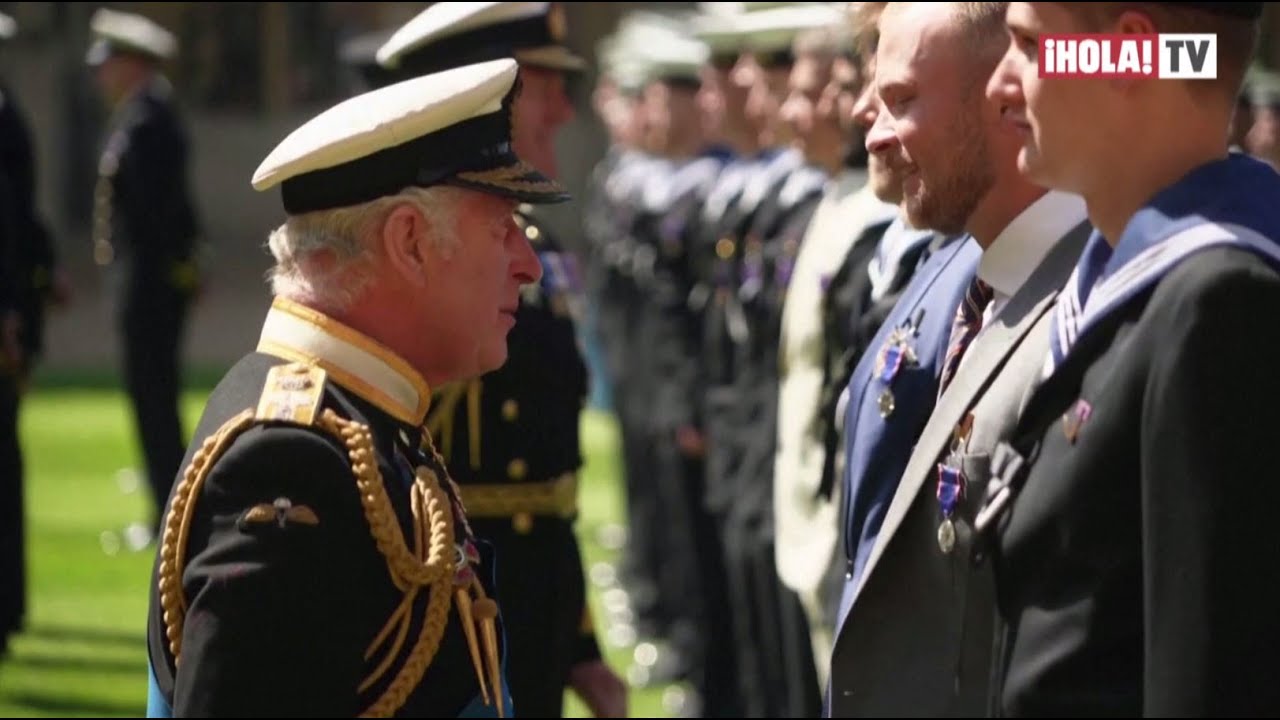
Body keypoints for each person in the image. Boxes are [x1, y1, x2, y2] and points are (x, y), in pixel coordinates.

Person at [143, 57, 569, 718]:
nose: (529, 264)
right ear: (410, 242)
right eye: (501, 229)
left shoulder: (356, 420)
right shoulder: (291, 461)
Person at [979, 2, 1280, 716]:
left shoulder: (1218, 305)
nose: (999, 84)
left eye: (1029, 44)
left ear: (1130, 54)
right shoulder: (1122, 280)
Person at [827, 2, 1092, 715]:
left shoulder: (1093, 303)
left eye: (902, 100)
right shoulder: (962, 270)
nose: (873, 130)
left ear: (1007, 99)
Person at [374, 4, 627, 718]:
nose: (564, 110)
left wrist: (579, 640)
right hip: (451, 605)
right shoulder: (418, 257)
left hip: (536, 599)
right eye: (545, 88)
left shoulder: (536, 247)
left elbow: (549, 478)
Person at [87, 8, 201, 541]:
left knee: (154, 400)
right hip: (149, 281)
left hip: (150, 284)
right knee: (152, 398)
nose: (102, 75)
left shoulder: (149, 122)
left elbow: (161, 214)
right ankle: (166, 505)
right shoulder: (144, 116)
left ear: (133, 64)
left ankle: (169, 513)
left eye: (110, 63)